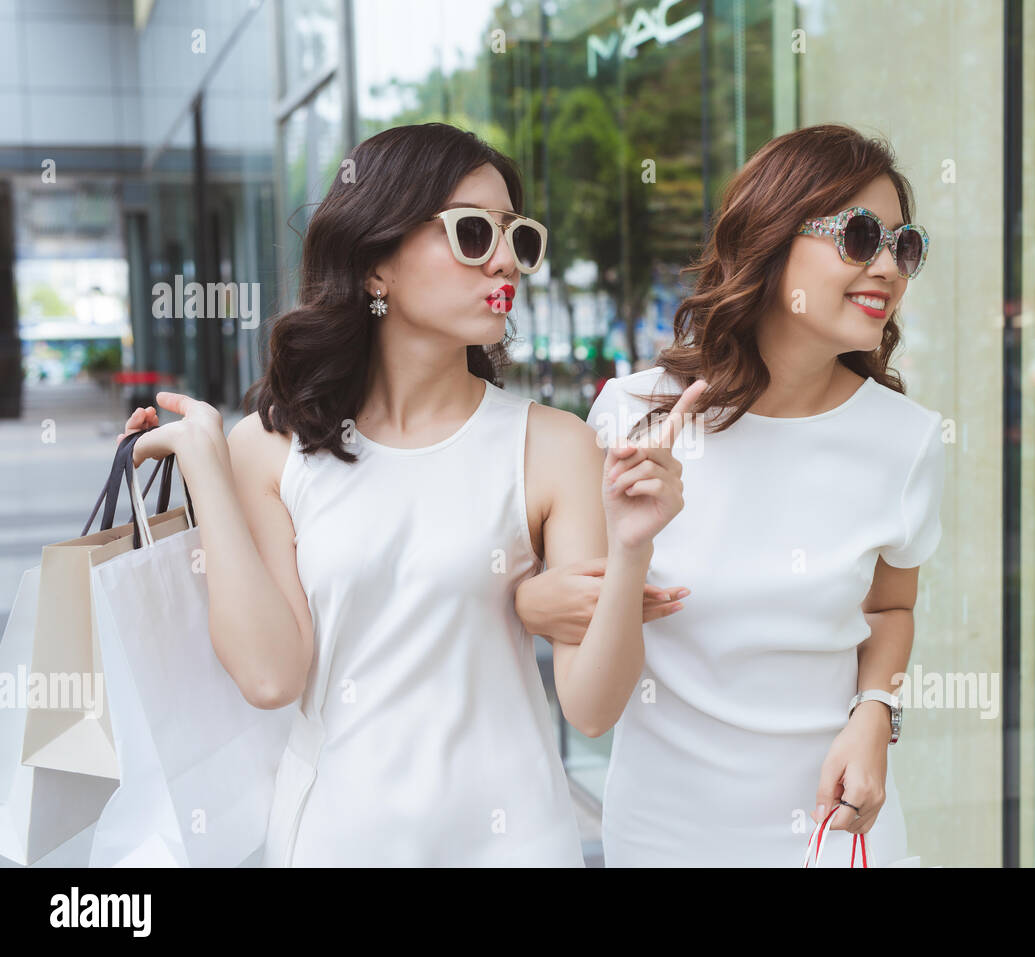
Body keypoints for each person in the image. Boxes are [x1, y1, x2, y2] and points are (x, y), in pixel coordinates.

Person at [118, 122, 703, 866]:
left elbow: (591, 709)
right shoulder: (270, 448)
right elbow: (270, 676)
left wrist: (630, 548)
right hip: (336, 839)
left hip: (516, 840)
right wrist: (205, 460)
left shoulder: (552, 444)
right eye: (471, 233)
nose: (505, 262)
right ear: (375, 266)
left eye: (519, 238)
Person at [517, 124, 945, 866]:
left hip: (838, 834)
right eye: (860, 236)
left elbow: (890, 607)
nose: (887, 267)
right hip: (668, 837)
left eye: (903, 247)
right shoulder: (631, 416)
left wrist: (876, 711)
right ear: (771, 238)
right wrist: (625, 546)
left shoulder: (905, 438)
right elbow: (588, 708)